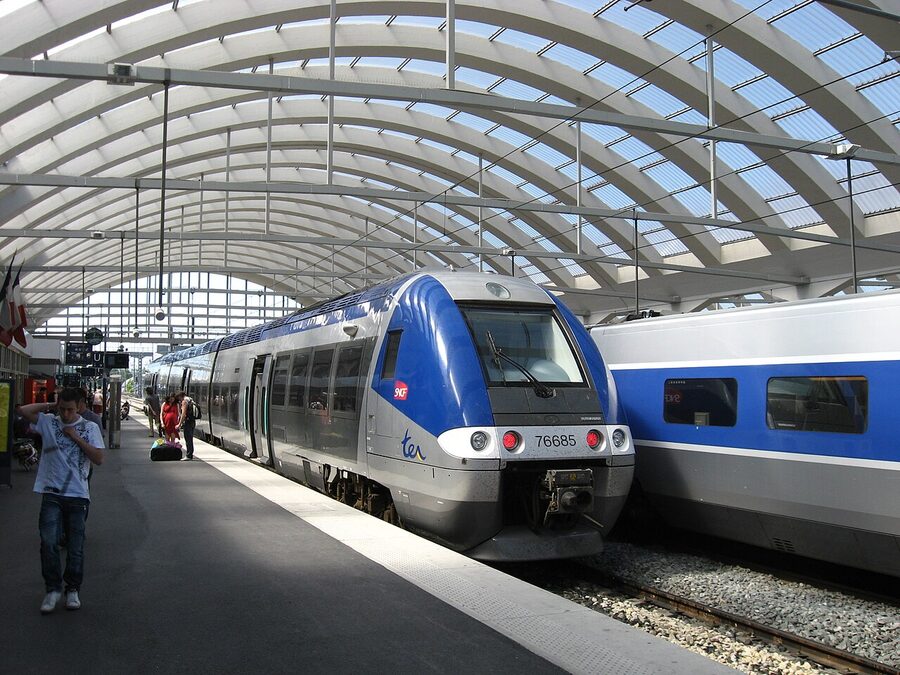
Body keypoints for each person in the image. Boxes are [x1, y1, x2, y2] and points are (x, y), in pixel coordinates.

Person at [18, 388, 104, 614]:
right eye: (62, 409)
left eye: (70, 410)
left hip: (78, 494)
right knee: (48, 541)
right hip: (51, 491)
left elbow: (98, 458)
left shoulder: (90, 427)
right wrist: (50, 405)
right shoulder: (48, 422)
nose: (66, 414)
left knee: (75, 546)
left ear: (80, 407)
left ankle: (72, 588)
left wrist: (75, 437)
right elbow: (24, 411)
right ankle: (53, 588)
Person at [176, 391, 197, 461]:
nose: (179, 400)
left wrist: (179, 424)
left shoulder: (184, 401)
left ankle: (189, 455)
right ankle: (190, 454)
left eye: (179, 398)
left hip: (188, 422)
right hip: (192, 421)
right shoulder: (190, 399)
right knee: (190, 438)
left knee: (188, 438)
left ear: (180, 396)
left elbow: (183, 414)